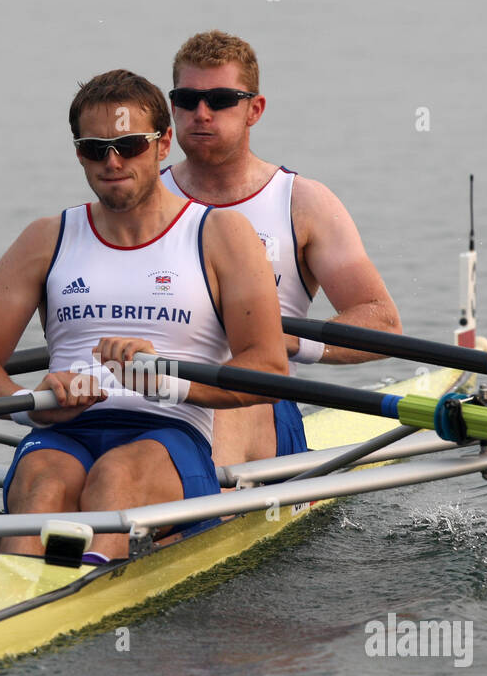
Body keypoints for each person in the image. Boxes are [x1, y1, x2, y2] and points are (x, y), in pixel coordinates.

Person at [0, 69, 288, 560]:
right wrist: (29, 399)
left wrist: (165, 380)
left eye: (129, 145)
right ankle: (16, 597)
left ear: (163, 143)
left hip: (169, 433)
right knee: (45, 484)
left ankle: (76, 590)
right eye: (94, 148)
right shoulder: (45, 238)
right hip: (62, 430)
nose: (112, 162)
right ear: (78, 152)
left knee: (115, 478)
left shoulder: (221, 235)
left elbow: (269, 370)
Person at [162, 30, 403, 468]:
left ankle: (170, 520)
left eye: (220, 100)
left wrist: (289, 342)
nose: (201, 113)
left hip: (257, 404)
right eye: (187, 99)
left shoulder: (302, 204)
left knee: (237, 389)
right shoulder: (139, 201)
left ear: (254, 109)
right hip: (159, 397)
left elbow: (381, 322)